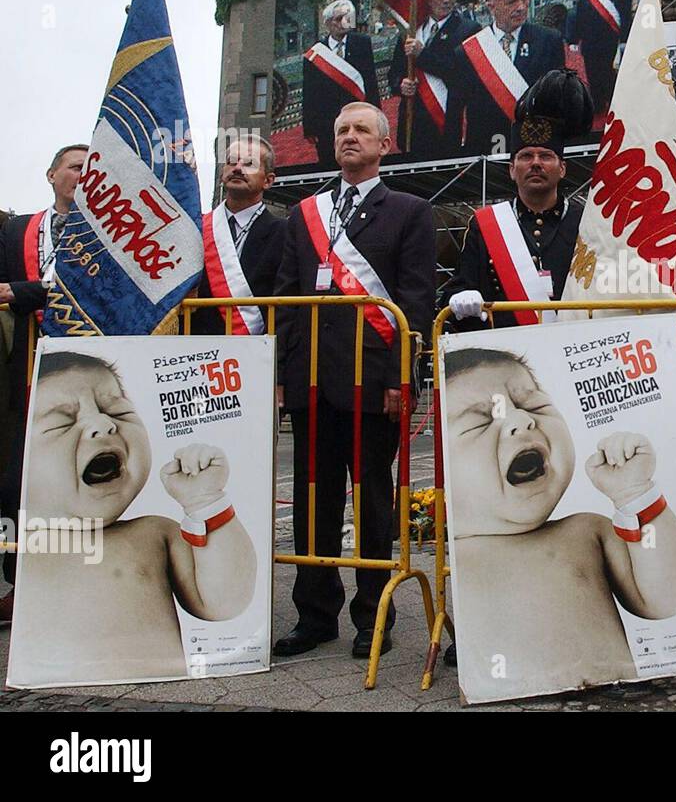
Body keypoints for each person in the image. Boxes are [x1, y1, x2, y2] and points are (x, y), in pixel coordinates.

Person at [273, 102, 436, 659]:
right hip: (311, 379)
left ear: (383, 144)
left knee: (370, 499)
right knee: (312, 497)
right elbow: (288, 299)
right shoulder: (305, 215)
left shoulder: (410, 211)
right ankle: (314, 613)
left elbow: (414, 302)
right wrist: (281, 376)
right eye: (341, 129)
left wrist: (401, 378)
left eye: (361, 129)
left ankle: (374, 615)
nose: (349, 137)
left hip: (373, 378)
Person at [443, 346, 676, 696]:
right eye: (481, 421)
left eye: (534, 405)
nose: (521, 420)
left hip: (617, 693)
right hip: (509, 695)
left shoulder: (585, 531)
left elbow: (666, 599)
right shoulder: (452, 558)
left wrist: (636, 495)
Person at [12, 351, 255, 684]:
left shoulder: (154, 533)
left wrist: (206, 501)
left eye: (117, 410)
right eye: (62, 422)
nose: (103, 423)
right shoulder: (19, 542)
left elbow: (225, 603)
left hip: (167, 694)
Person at [0, 142, 87, 621]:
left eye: (94, 167)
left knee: (75, 477)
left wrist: (25, 292)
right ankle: (19, 580)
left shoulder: (110, 235)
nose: (84, 174)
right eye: (76, 166)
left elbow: (90, 288)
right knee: (18, 481)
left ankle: (78, 578)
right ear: (52, 174)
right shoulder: (17, 229)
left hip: (84, 373)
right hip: (25, 372)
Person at [442, 70, 592, 329]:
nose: (535, 163)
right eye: (525, 157)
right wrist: (459, 299)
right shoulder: (485, 224)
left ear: (562, 168)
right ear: (512, 169)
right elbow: (457, 290)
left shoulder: (586, 221)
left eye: (545, 156)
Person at [449, 0, 566, 157]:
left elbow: (558, 98)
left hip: (535, 146)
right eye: (512, 1)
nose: (521, 7)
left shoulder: (550, 40)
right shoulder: (467, 51)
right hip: (484, 149)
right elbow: (455, 110)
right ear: (492, 6)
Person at [192, 134, 285, 336]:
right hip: (196, 349)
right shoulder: (197, 228)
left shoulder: (285, 232)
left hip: (257, 351)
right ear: (222, 173)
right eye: (231, 162)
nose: (237, 168)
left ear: (268, 181)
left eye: (249, 163)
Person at [389, 0, 479, 160]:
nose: (447, 1)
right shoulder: (411, 30)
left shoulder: (468, 30)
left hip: (444, 122)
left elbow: (459, 72)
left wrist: (423, 55)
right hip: (411, 123)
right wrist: (401, 84)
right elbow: (394, 74)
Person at [301, 0, 381, 169]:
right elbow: (309, 93)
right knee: (329, 164)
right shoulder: (315, 53)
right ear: (328, 23)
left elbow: (370, 82)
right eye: (338, 19)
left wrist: (377, 114)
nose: (343, 23)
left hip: (357, 116)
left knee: (361, 164)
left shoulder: (362, 43)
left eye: (347, 18)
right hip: (326, 122)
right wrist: (309, 127)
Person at [567, 0, 633, 116]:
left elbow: (625, 17)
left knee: (609, 73)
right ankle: (597, 105)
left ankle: (615, 103)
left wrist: (624, 39)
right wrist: (573, 40)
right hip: (591, 43)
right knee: (593, 74)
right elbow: (579, 18)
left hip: (611, 42)